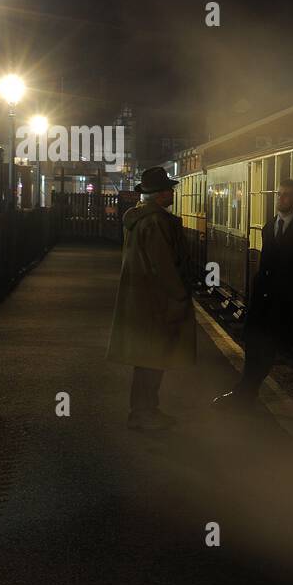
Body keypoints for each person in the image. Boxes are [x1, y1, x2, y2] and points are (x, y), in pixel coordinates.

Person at [107, 166, 197, 431]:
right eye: (169, 189)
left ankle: (145, 411)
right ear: (159, 194)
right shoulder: (157, 222)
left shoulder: (138, 219)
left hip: (140, 300)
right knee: (153, 359)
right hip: (156, 302)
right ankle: (144, 414)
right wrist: (179, 297)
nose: (172, 192)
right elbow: (164, 265)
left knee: (146, 360)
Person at [213, 178, 293, 409]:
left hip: (281, 303)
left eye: (286, 195)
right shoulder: (268, 226)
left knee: (263, 354)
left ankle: (243, 395)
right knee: (255, 350)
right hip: (263, 301)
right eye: (279, 194)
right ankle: (244, 394)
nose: (281, 198)